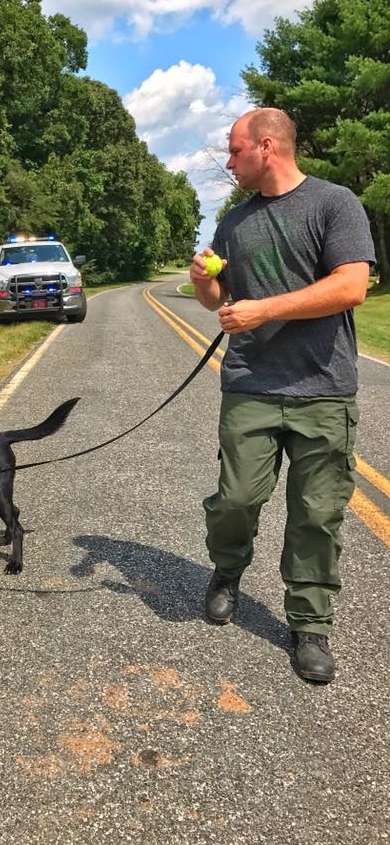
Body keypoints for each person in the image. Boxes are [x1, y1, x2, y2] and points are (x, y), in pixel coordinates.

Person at [190, 108, 376, 683]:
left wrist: (264, 309)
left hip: (323, 389)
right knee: (237, 498)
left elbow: (352, 286)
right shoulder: (234, 224)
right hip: (250, 383)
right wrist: (205, 284)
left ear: (266, 146)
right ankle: (227, 572)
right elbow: (220, 301)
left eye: (235, 149)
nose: (228, 160)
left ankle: (309, 624)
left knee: (317, 515)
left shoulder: (333, 203)